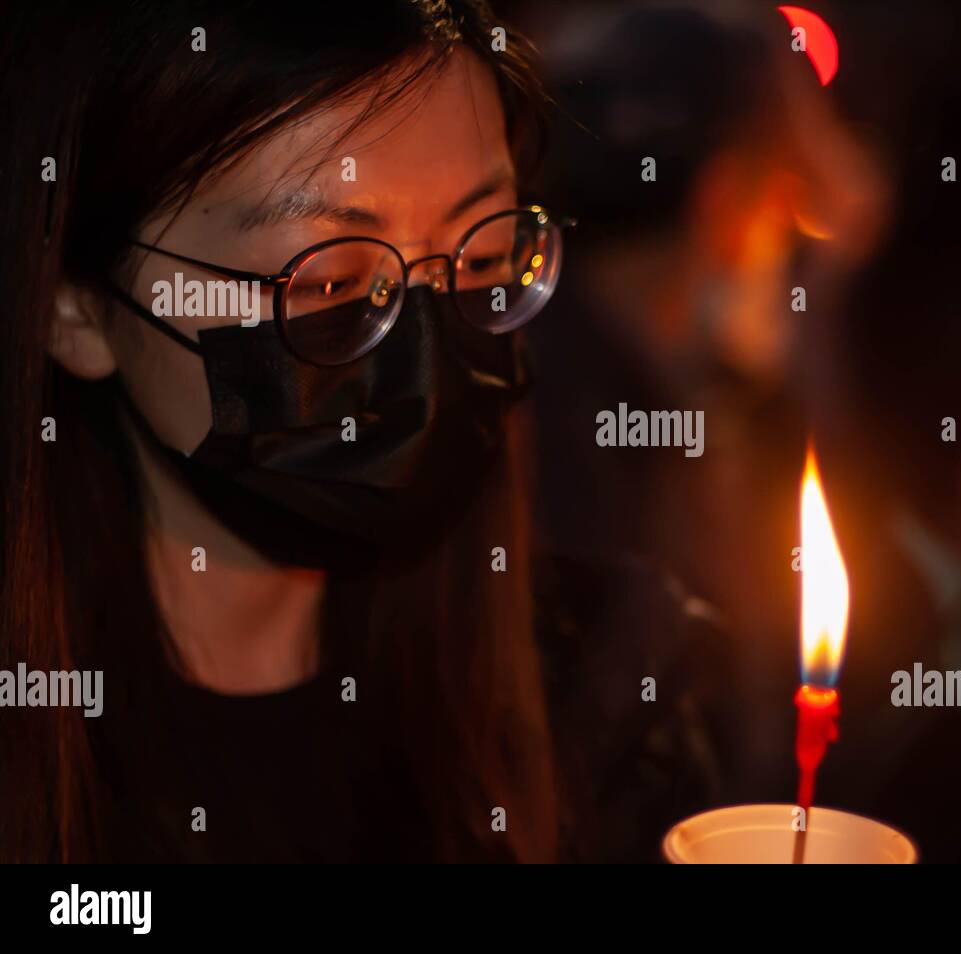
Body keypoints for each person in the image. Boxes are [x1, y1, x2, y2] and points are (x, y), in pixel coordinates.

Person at [0, 0, 723, 863]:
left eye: (482, 259)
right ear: (75, 310)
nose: (425, 343)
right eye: (333, 284)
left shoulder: (604, 699)